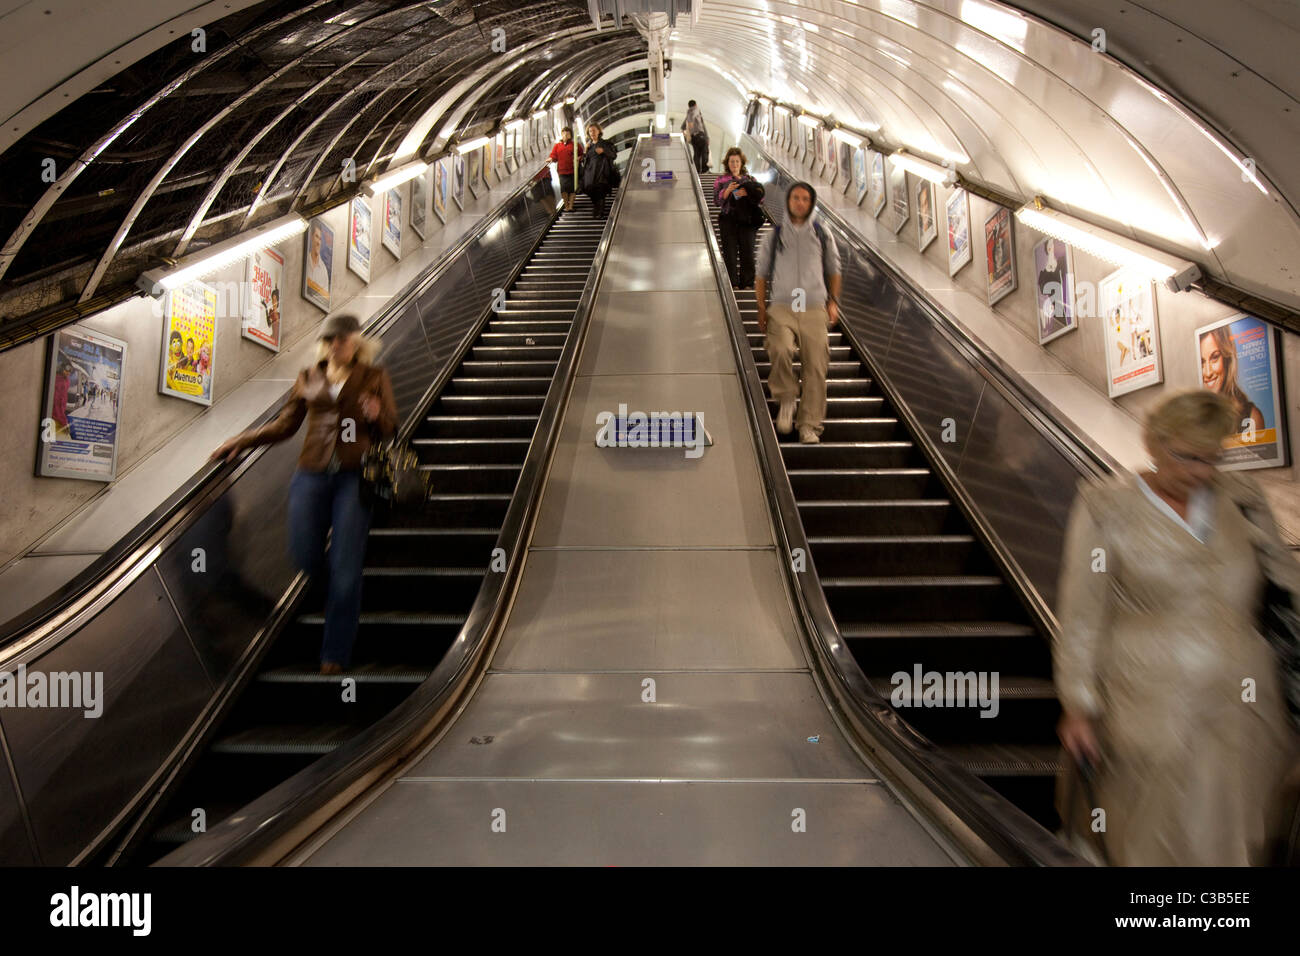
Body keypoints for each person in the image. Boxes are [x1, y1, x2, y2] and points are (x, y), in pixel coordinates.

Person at [1054, 389, 1300, 865]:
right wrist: (1079, 705)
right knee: (1153, 833)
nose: (1199, 473)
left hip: (1247, 707)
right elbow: (1083, 614)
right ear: (1153, 442)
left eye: (1212, 460)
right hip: (1145, 703)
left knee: (1240, 832)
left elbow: (1288, 587)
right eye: (1186, 456)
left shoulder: (1244, 501)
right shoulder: (1107, 507)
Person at [209, 313, 398, 674]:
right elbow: (285, 425)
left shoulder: (373, 377)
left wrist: (376, 415)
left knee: (345, 565)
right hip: (310, 475)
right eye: (330, 339)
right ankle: (339, 595)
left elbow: (390, 427)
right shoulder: (310, 377)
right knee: (303, 552)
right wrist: (241, 440)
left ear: (357, 340)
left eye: (342, 338)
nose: (336, 344)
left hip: (353, 478)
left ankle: (335, 652)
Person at [754, 181, 842, 444]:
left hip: (814, 307)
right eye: (795, 198)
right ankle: (787, 397)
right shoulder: (775, 234)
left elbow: (834, 268)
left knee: (815, 365)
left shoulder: (822, 232)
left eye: (805, 199)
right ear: (788, 201)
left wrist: (833, 301)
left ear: (811, 203)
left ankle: (809, 425)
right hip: (782, 305)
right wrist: (761, 307)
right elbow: (761, 273)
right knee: (779, 348)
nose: (800, 203)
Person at [714, 147, 765, 289]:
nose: (734, 164)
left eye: (737, 161)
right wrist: (727, 191)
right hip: (728, 219)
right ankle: (733, 283)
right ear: (727, 163)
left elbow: (761, 199)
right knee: (730, 251)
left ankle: (747, 282)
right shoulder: (721, 180)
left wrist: (746, 193)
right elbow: (716, 201)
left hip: (747, 220)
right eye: (732, 162)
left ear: (741, 163)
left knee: (748, 250)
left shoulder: (750, 179)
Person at [1200, 325, 1266, 434]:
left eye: (1215, 357)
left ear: (1227, 359)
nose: (1208, 372)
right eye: (1202, 362)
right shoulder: (1195, 417)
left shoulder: (1251, 417)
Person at [580, 123, 618, 220]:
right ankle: (597, 207)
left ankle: (599, 211)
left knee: (600, 189)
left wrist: (604, 151)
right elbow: (585, 159)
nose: (592, 133)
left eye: (594, 130)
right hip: (590, 172)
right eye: (590, 131)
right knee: (589, 188)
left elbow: (613, 155)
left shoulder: (606, 143)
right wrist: (584, 153)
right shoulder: (589, 146)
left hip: (602, 171)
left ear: (599, 131)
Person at [547, 126, 583, 212]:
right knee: (563, 189)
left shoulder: (575, 145)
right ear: (561, 135)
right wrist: (551, 159)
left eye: (567, 134)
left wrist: (579, 158)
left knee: (572, 189)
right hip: (562, 171)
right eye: (564, 134)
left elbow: (581, 154)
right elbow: (554, 156)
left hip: (573, 170)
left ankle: (571, 206)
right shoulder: (557, 146)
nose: (565, 136)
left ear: (570, 135)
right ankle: (566, 205)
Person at [682, 99, 709, 173]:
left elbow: (683, 126)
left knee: (697, 153)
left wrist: (685, 132)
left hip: (694, 137)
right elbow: (702, 125)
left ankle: (696, 171)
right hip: (700, 135)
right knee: (704, 152)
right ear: (695, 104)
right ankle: (704, 170)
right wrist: (707, 137)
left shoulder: (688, 113)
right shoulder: (696, 110)